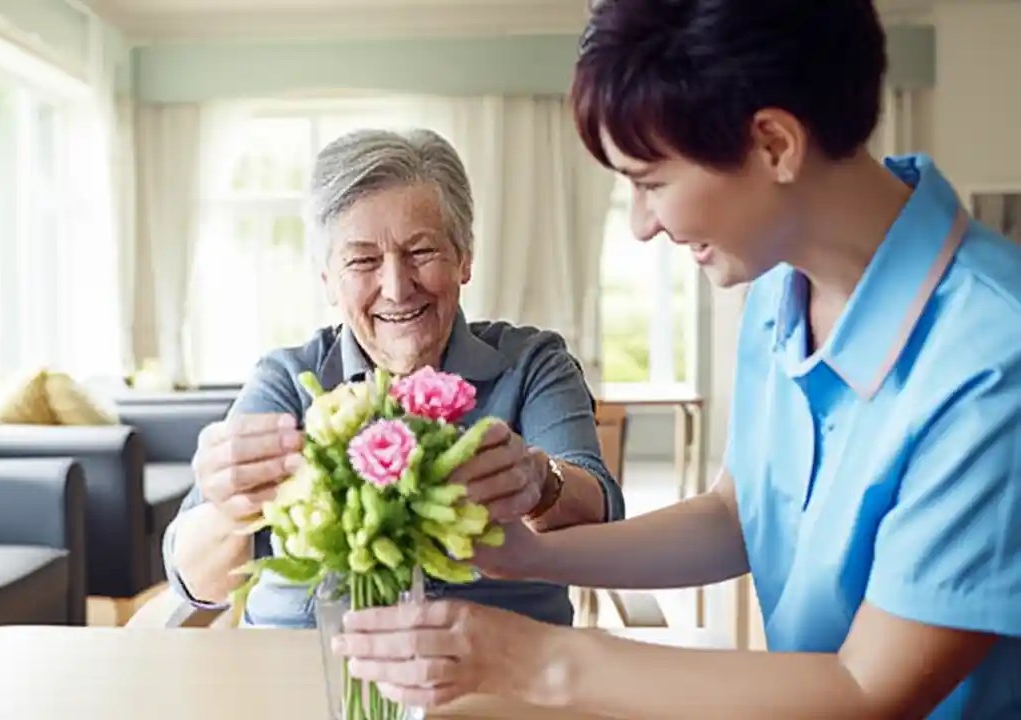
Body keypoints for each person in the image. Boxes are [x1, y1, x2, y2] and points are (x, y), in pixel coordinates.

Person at [332, 1, 1021, 717]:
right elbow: (737, 515)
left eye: (651, 182)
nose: (640, 224)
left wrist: (531, 658)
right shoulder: (781, 288)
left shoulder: (994, 359)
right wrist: (527, 557)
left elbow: (870, 689)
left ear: (774, 144)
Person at [162, 127, 625, 628]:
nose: (397, 287)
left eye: (421, 252)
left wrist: (540, 482)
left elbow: (602, 521)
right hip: (304, 675)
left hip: (505, 674)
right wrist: (231, 509)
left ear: (464, 257)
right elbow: (197, 584)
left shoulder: (532, 362)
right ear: (327, 279)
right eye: (362, 260)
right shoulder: (289, 378)